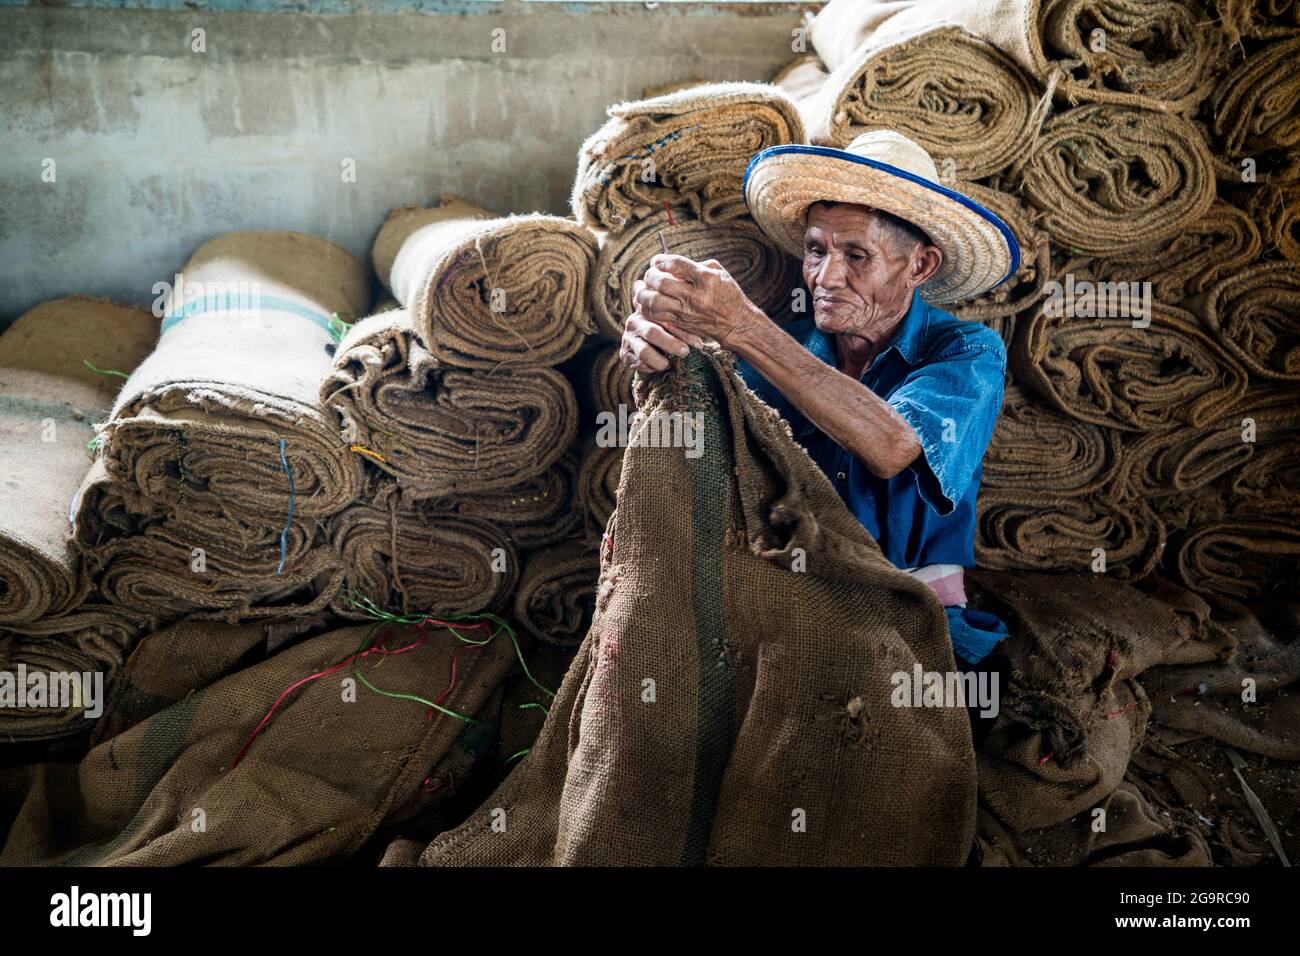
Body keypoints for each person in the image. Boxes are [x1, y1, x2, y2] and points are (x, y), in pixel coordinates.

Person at [618, 130, 1020, 743]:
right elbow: (697, 423)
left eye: (856, 256)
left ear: (920, 264)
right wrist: (657, 350)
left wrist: (742, 325)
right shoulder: (782, 347)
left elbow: (893, 447)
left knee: (892, 748)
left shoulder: (965, 351)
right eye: (814, 250)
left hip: (915, 615)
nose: (825, 276)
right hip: (789, 599)